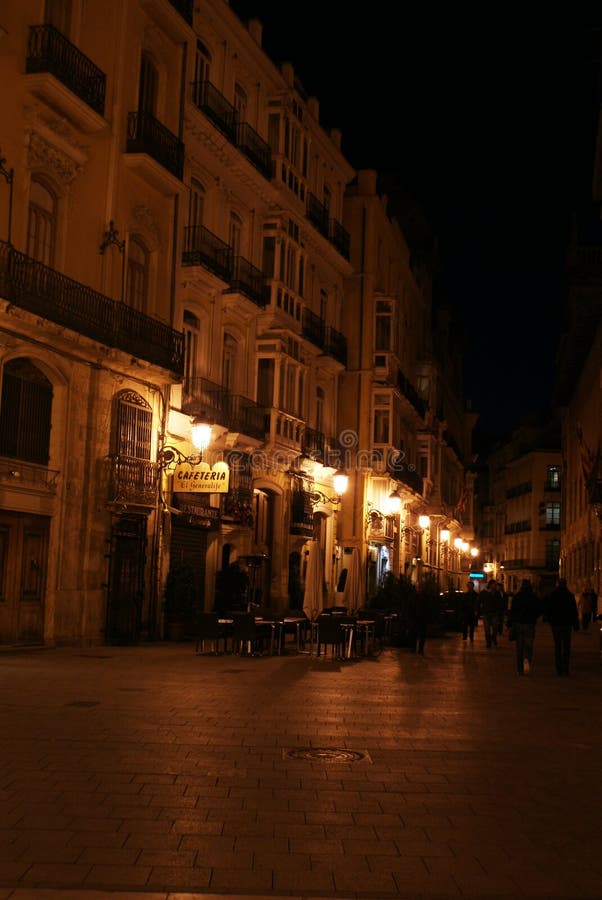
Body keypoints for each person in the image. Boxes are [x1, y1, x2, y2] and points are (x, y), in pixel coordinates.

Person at [543, 578, 579, 676]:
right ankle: (566, 668)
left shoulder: (553, 595)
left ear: (557, 584)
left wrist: (549, 620)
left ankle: (558, 668)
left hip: (556, 624)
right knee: (567, 646)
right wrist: (576, 625)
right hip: (567, 624)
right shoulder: (569, 596)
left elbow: (548, 609)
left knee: (558, 646)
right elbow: (573, 611)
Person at [507, 578, 542, 675]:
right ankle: (527, 659)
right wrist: (534, 617)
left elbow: (512, 610)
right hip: (530, 624)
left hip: (518, 624)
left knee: (519, 647)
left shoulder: (517, 596)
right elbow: (539, 609)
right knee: (529, 645)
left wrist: (509, 623)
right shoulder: (534, 597)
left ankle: (519, 669)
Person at [407, 582, 430, 654]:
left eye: (419, 587)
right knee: (413, 634)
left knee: (422, 634)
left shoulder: (425, 596)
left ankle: (420, 649)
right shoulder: (413, 596)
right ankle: (413, 648)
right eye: (417, 587)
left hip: (422, 618)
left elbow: (428, 607)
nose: (418, 589)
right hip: (414, 618)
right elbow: (410, 607)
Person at [481, 579, 499, 647]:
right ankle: (488, 642)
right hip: (486, 613)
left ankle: (494, 638)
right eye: (494, 584)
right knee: (487, 629)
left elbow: (500, 602)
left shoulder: (496, 593)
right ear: (490, 585)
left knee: (495, 628)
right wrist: (478, 610)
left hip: (494, 613)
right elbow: (479, 601)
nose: (495, 586)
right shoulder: (484, 593)